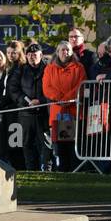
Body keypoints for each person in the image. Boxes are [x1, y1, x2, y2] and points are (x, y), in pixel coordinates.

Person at [42, 41, 86, 171]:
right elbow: (47, 87)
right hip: (58, 113)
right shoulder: (50, 68)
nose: (65, 52)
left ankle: (74, 171)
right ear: (57, 52)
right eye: (62, 50)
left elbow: (82, 85)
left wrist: (68, 99)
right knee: (60, 146)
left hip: (74, 112)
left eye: (67, 50)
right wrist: (60, 99)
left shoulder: (79, 68)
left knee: (73, 145)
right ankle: (62, 170)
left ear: (71, 52)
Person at [20, 42, 53, 171]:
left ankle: (46, 168)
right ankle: (30, 170)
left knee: (45, 143)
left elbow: (51, 88)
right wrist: (27, 101)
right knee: (27, 144)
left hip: (44, 112)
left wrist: (41, 101)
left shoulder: (48, 68)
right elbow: (14, 89)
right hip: (26, 114)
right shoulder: (21, 69)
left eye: (35, 54)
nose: (32, 57)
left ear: (41, 55)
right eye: (29, 55)